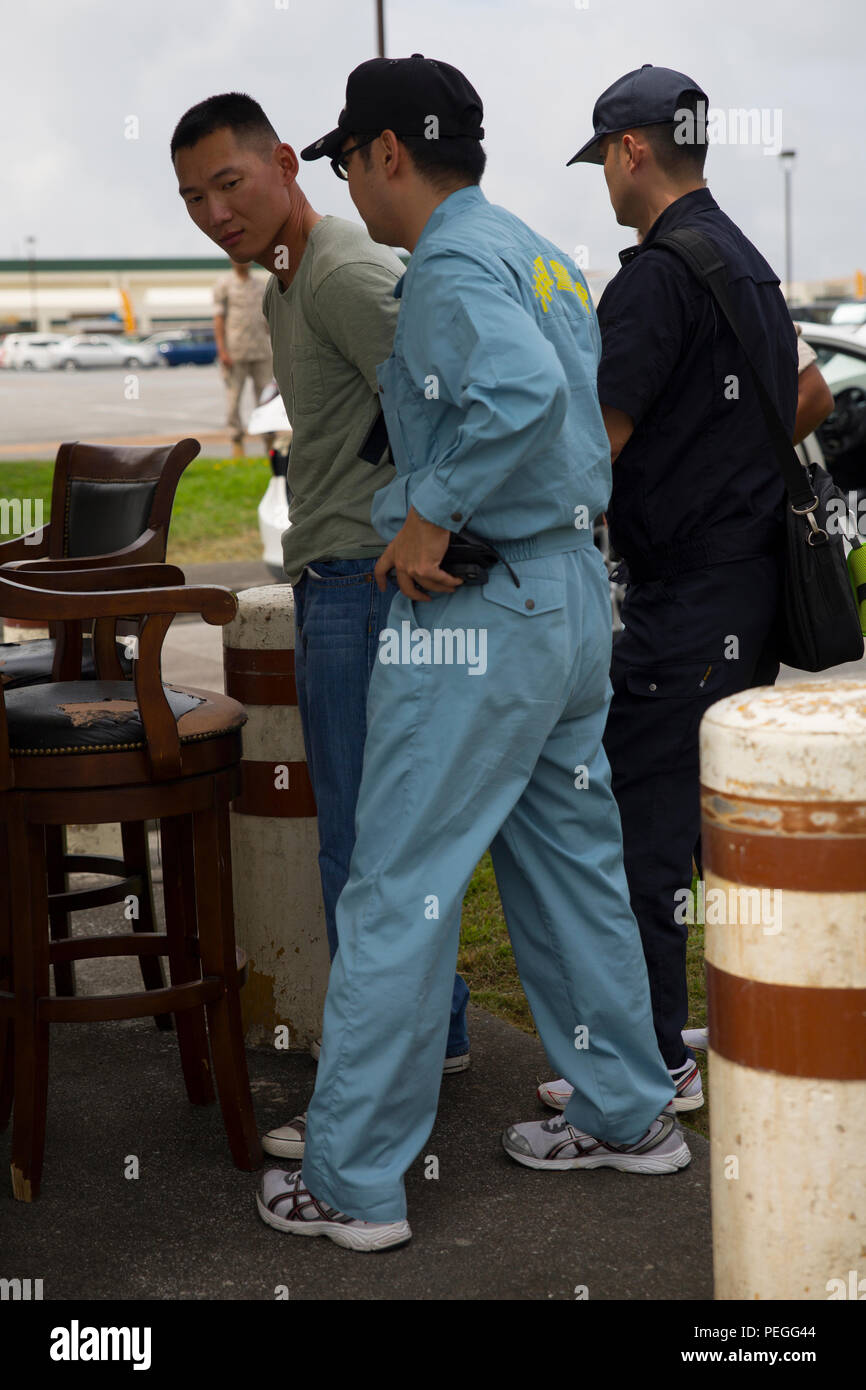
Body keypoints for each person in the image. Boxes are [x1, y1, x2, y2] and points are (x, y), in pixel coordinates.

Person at [255, 53, 689, 1254]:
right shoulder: (538, 250)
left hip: (474, 614)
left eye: (344, 158)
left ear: (385, 152)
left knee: (397, 884)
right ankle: (625, 1109)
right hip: (561, 598)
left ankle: (350, 1182)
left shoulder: (444, 260)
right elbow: (563, 401)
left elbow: (507, 396)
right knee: (570, 868)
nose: (347, 180)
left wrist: (426, 511)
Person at [170, 91, 472, 1156]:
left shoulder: (340, 271)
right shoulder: (289, 280)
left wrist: (427, 525)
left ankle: (366, 1094)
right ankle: (428, 1043)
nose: (214, 211)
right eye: (192, 197)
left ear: (285, 163)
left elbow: (453, 383)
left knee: (360, 851)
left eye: (228, 182)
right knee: (386, 844)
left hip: (365, 586)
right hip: (340, 579)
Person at [537, 66, 799, 1117]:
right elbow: (800, 397)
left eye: (602, 156)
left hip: (682, 604)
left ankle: (647, 1065)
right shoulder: (745, 261)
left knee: (635, 840)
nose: (601, 176)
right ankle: (709, 1031)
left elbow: (589, 448)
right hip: (745, 596)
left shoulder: (652, 277)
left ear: (630, 150)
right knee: (702, 835)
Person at [212, 258, 274, 458]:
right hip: (235, 352)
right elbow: (219, 319)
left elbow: (269, 318)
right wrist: (222, 350)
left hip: (261, 351)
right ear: (231, 259)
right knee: (233, 399)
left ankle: (269, 440)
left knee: (266, 400)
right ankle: (236, 441)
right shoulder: (224, 284)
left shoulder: (260, 284)